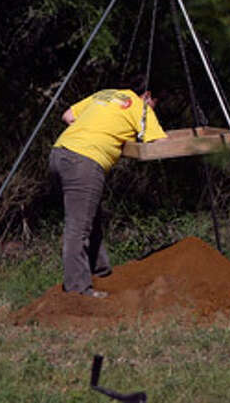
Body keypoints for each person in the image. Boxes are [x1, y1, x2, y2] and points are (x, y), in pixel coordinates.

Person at [50, 78, 166, 298]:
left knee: (89, 217)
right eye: (155, 105)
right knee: (78, 228)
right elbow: (158, 143)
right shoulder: (140, 107)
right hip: (85, 161)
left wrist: (100, 134)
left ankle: (101, 272)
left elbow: (68, 116)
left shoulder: (106, 94)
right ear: (148, 96)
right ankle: (78, 292)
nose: (153, 110)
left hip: (59, 153)